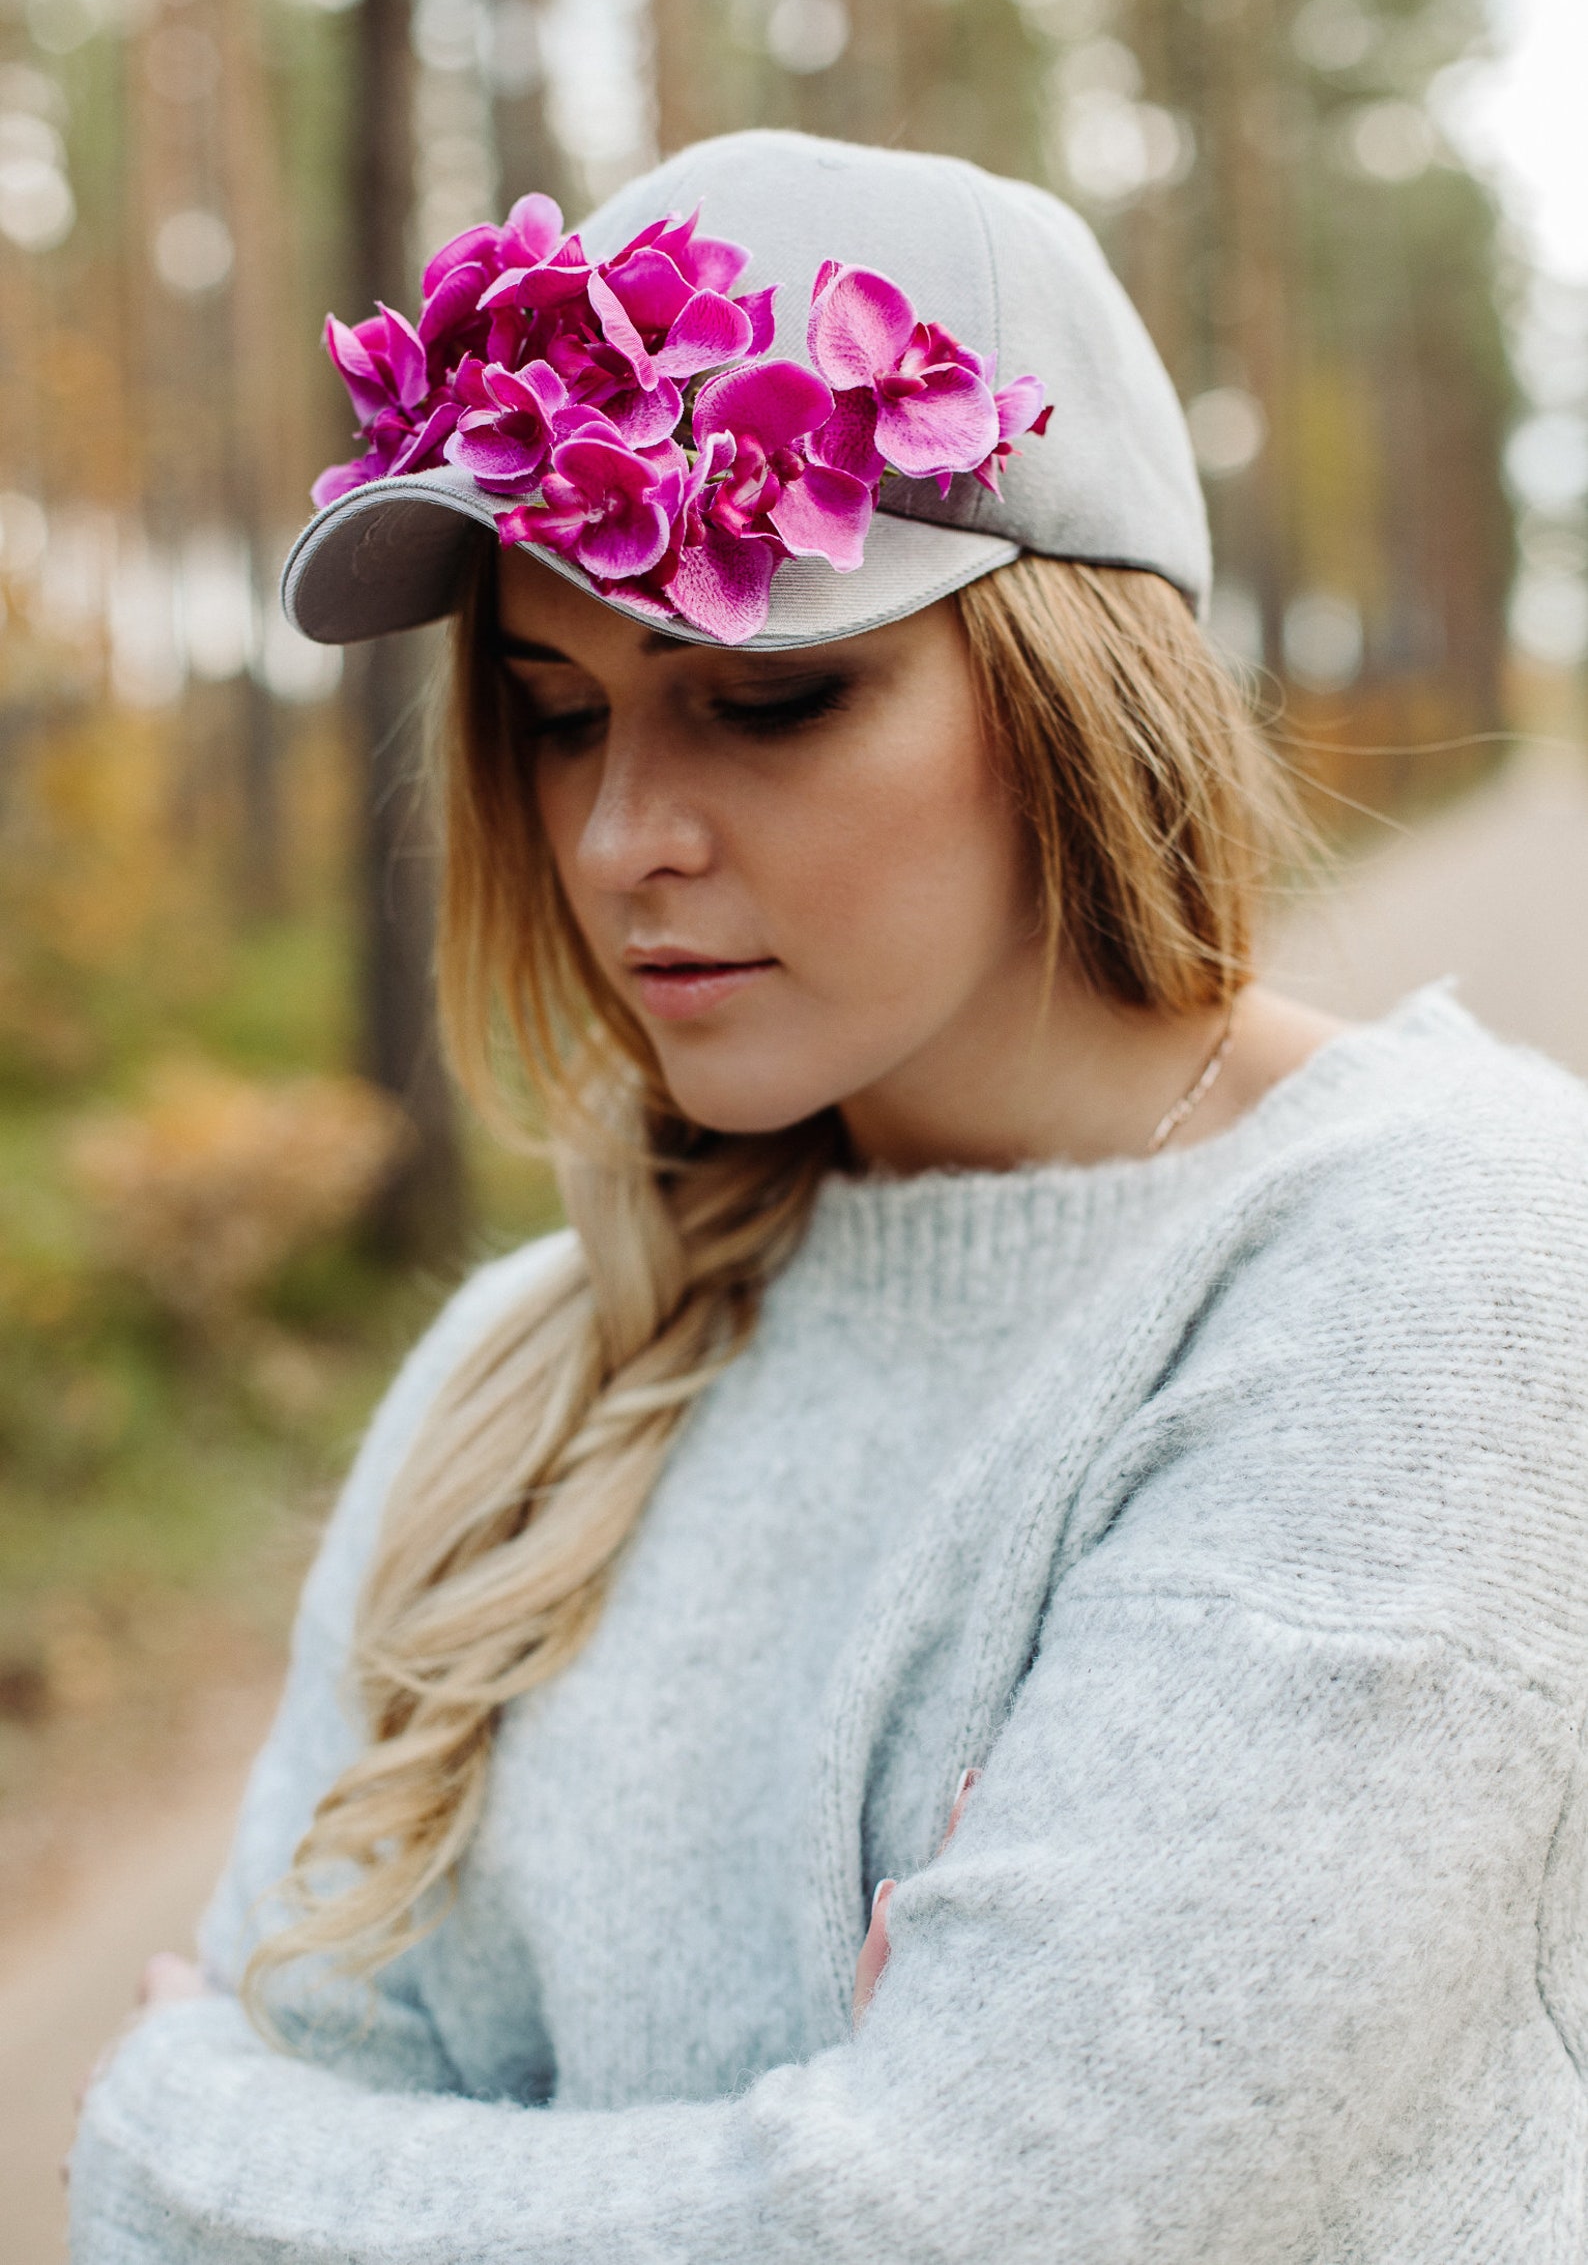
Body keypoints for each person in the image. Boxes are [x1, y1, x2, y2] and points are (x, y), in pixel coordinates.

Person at [71, 131, 1588, 2265]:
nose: (620, 838)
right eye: (550, 712)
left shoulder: (1436, 1265)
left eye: (767, 700)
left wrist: (195, 2157)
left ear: (1076, 688)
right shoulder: (525, 1372)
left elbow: (962, 2223)